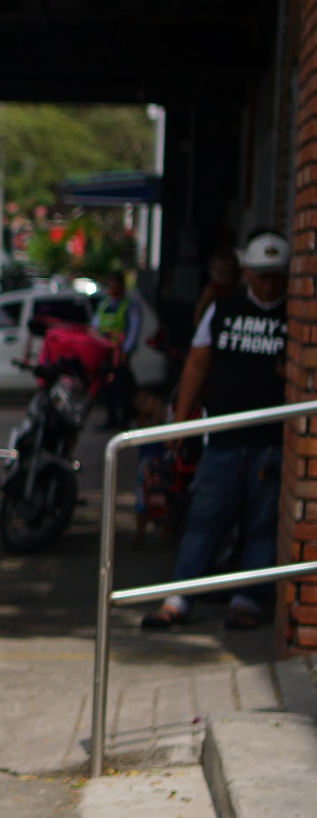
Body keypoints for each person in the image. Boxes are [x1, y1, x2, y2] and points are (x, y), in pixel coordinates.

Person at [142, 231, 290, 631]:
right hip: (223, 438)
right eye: (262, 276)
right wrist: (179, 421)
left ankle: (247, 601)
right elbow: (197, 364)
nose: (269, 284)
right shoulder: (224, 309)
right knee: (204, 520)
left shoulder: (296, 315)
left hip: (271, 444)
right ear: (247, 274)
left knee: (261, 527)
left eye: (276, 276)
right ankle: (179, 599)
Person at [94, 271, 143, 429]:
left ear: (122, 286)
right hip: (105, 353)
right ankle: (112, 418)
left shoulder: (130, 306)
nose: (112, 288)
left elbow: (134, 330)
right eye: (111, 284)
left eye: (115, 284)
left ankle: (126, 419)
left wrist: (126, 351)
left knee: (123, 387)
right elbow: (95, 326)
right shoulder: (105, 304)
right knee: (107, 387)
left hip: (120, 354)